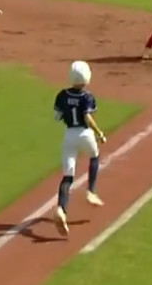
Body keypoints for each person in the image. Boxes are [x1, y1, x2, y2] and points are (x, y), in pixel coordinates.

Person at [51, 61, 107, 238]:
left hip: (69, 135)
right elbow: (87, 117)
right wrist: (99, 133)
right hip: (84, 133)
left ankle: (61, 208)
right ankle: (91, 190)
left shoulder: (62, 95)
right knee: (94, 156)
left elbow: (57, 116)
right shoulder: (87, 96)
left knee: (68, 176)